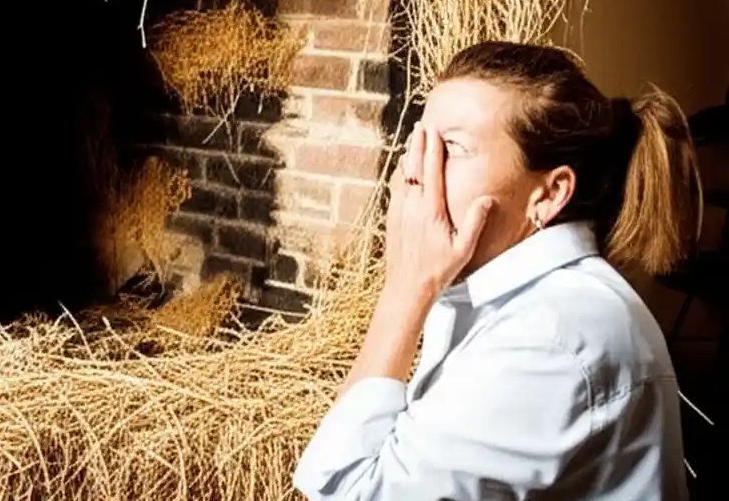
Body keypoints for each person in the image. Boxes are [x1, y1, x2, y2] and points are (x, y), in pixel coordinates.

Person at [293, 41, 700, 500]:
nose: (415, 169)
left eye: (452, 147)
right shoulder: (499, 297)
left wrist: (403, 291)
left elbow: (350, 492)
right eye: (420, 142)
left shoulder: (552, 337)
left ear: (549, 194)